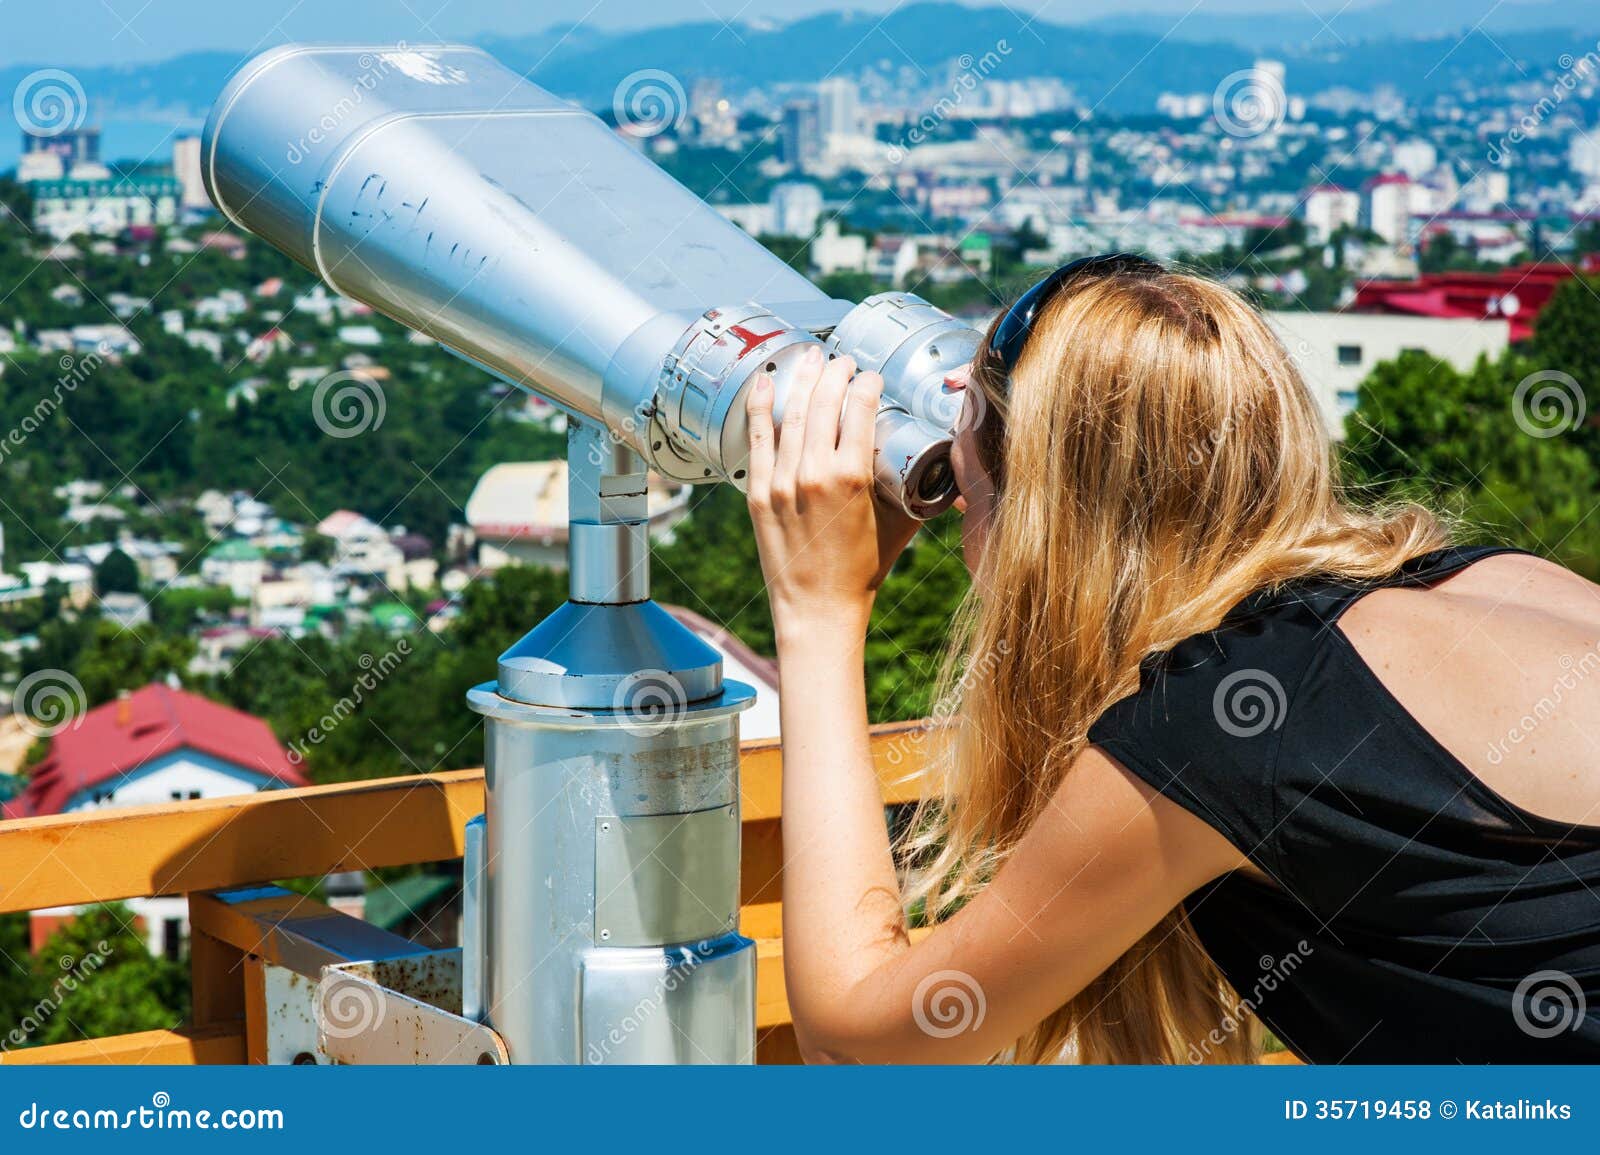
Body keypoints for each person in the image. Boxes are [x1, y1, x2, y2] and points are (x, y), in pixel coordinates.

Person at [741, 254, 1600, 1065]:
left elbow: (863, 1045)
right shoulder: (1498, 576)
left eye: (963, 485)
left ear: (1037, 522)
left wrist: (820, 611)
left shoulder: (1223, 724)